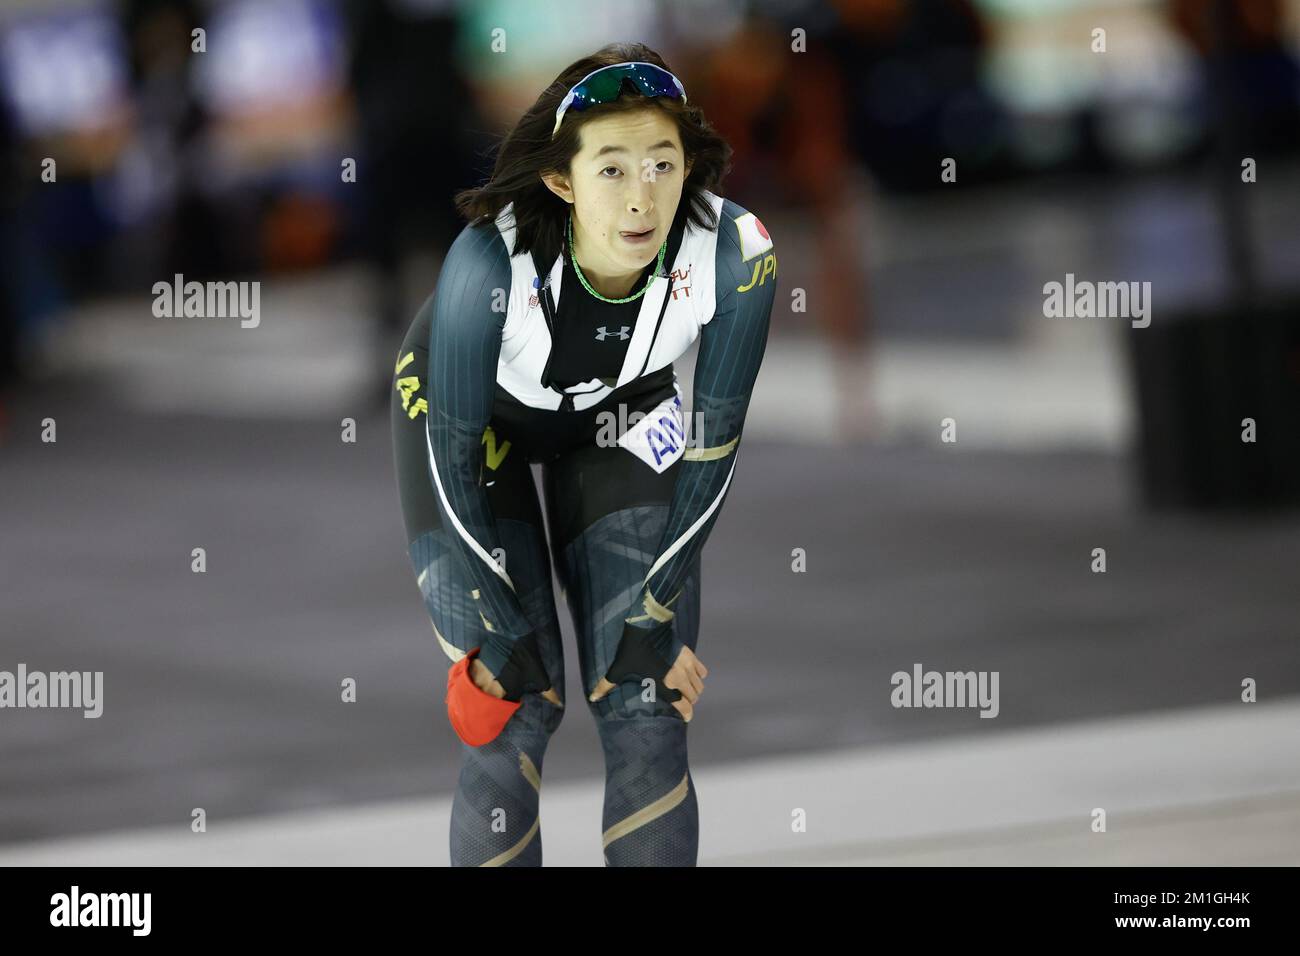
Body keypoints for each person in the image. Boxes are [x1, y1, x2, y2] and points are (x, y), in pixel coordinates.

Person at [389, 42, 778, 866]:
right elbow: (451, 463)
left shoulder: (737, 251)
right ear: (561, 180)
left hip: (619, 411)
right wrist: (498, 633)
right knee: (515, 704)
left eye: (662, 165)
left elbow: (716, 446)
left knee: (646, 697)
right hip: (476, 432)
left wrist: (657, 612)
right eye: (612, 170)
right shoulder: (486, 266)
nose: (642, 198)